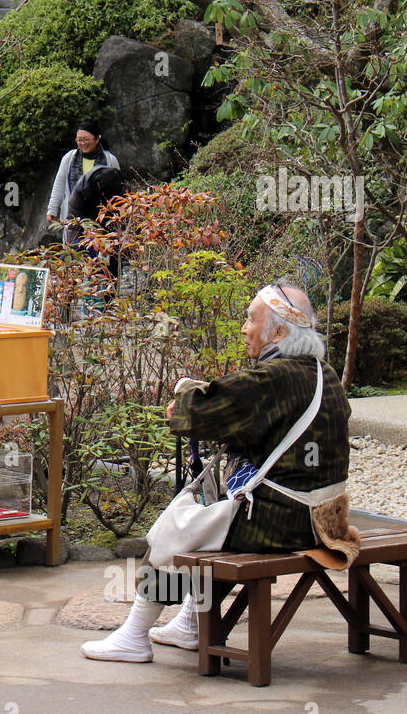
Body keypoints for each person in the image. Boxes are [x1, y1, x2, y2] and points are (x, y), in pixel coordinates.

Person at [81, 283, 354, 663]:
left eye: (251, 319)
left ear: (278, 332)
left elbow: (207, 408)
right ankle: (191, 623)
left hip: (287, 520)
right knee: (214, 511)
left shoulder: (279, 377)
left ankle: (134, 635)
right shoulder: (322, 374)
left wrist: (183, 403)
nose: (244, 328)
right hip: (326, 515)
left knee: (179, 523)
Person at [46, 121, 121, 245]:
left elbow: (117, 188)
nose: (82, 143)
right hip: (73, 215)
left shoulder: (110, 160)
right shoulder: (69, 158)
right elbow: (59, 185)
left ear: (97, 139)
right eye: (79, 140)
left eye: (86, 140)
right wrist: (52, 210)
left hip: (99, 217)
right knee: (74, 249)